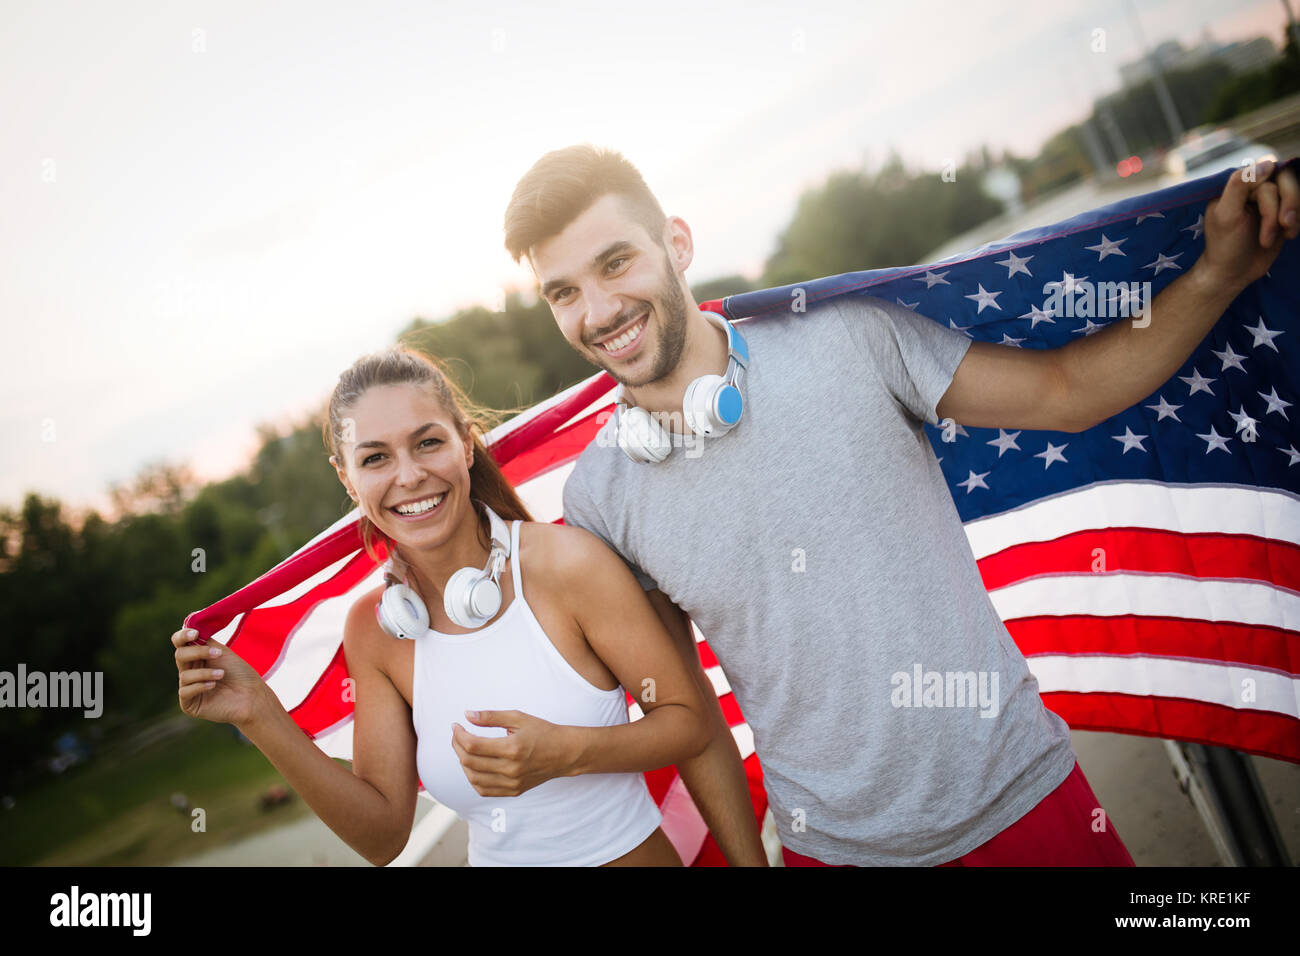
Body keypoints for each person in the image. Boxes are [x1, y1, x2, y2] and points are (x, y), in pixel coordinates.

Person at [489, 144, 1300, 866]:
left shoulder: (846, 336)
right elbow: (682, 705)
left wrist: (1219, 272)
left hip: (1026, 802)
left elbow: (1069, 392)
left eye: (616, 263)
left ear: (677, 242)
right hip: (832, 851)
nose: (597, 312)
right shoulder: (600, 496)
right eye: (563, 293)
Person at [171, 346, 748, 866]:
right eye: (374, 459)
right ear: (347, 480)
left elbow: (688, 722)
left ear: (465, 444)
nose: (409, 475)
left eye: (427, 442)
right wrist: (260, 716)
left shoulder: (568, 565)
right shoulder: (373, 629)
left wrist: (566, 752)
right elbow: (382, 837)